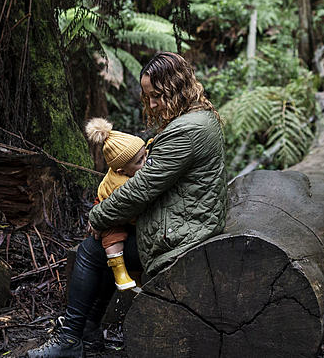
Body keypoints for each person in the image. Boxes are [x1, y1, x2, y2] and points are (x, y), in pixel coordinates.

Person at [27, 51, 228, 358]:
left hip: (186, 231)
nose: (152, 105)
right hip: (192, 218)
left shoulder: (188, 130)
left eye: (157, 96)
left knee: (92, 251)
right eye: (148, 98)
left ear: (176, 87)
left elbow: (143, 187)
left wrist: (99, 214)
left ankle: (71, 337)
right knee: (109, 244)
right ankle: (88, 333)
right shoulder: (198, 117)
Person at [83, 117, 147, 290]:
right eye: (139, 161)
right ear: (121, 170)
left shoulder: (131, 172)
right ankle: (119, 271)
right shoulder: (121, 184)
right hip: (107, 207)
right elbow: (126, 209)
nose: (146, 162)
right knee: (113, 236)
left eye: (145, 154)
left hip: (123, 212)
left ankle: (135, 276)